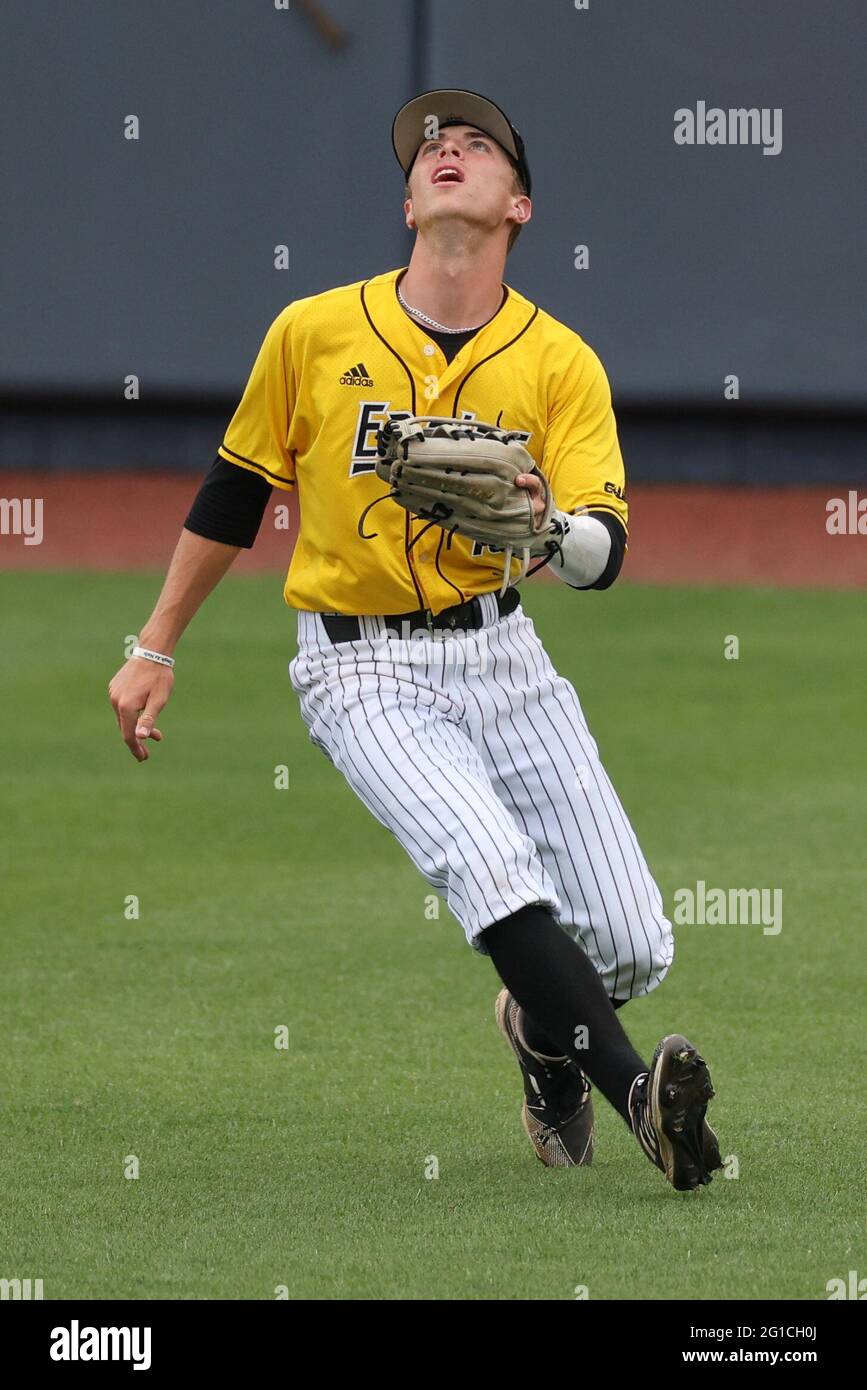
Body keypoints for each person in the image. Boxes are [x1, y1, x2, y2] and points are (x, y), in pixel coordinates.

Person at [108, 89, 720, 1190]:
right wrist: (154, 647)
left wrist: (545, 529)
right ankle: (638, 1096)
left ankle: (542, 1040)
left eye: (476, 144)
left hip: (504, 655)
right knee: (489, 868)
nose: (448, 150)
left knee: (630, 945)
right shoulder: (313, 331)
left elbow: (606, 549)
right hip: (361, 663)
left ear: (518, 205)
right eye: (430, 147)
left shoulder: (561, 361)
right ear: (406, 200)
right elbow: (236, 491)